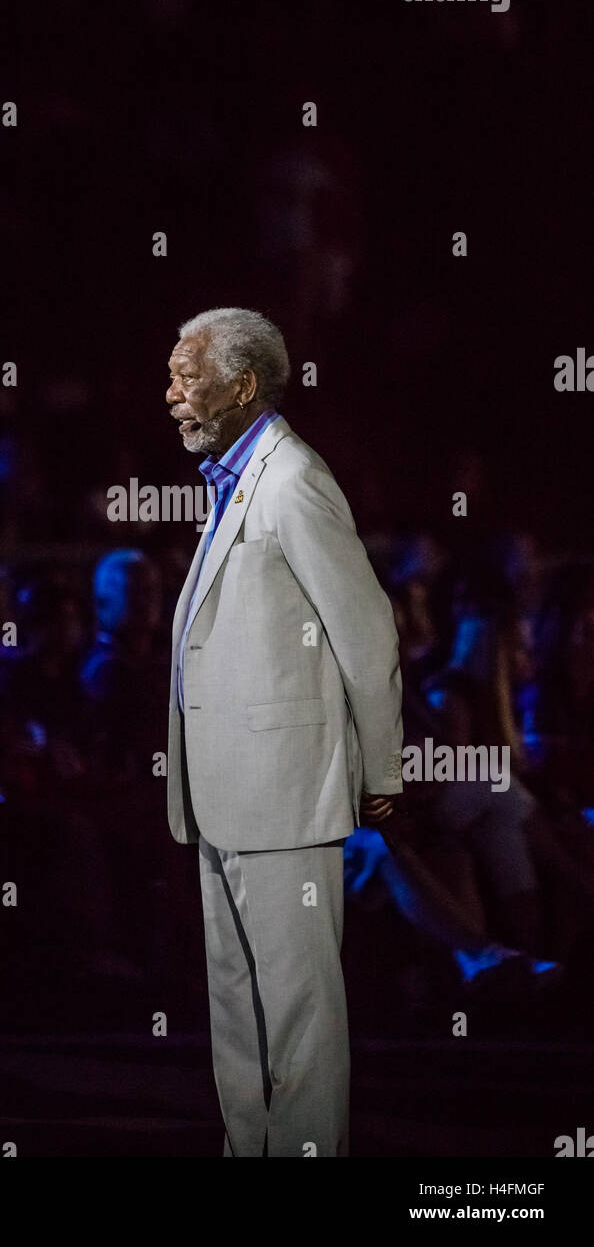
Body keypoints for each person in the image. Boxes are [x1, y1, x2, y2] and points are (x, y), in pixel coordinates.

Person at [164, 306, 403, 1158]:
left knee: (299, 1010)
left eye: (186, 377)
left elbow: (366, 628)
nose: (171, 396)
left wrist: (382, 768)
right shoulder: (239, 476)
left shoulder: (293, 477)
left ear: (244, 384)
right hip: (227, 790)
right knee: (237, 1004)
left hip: (285, 789)